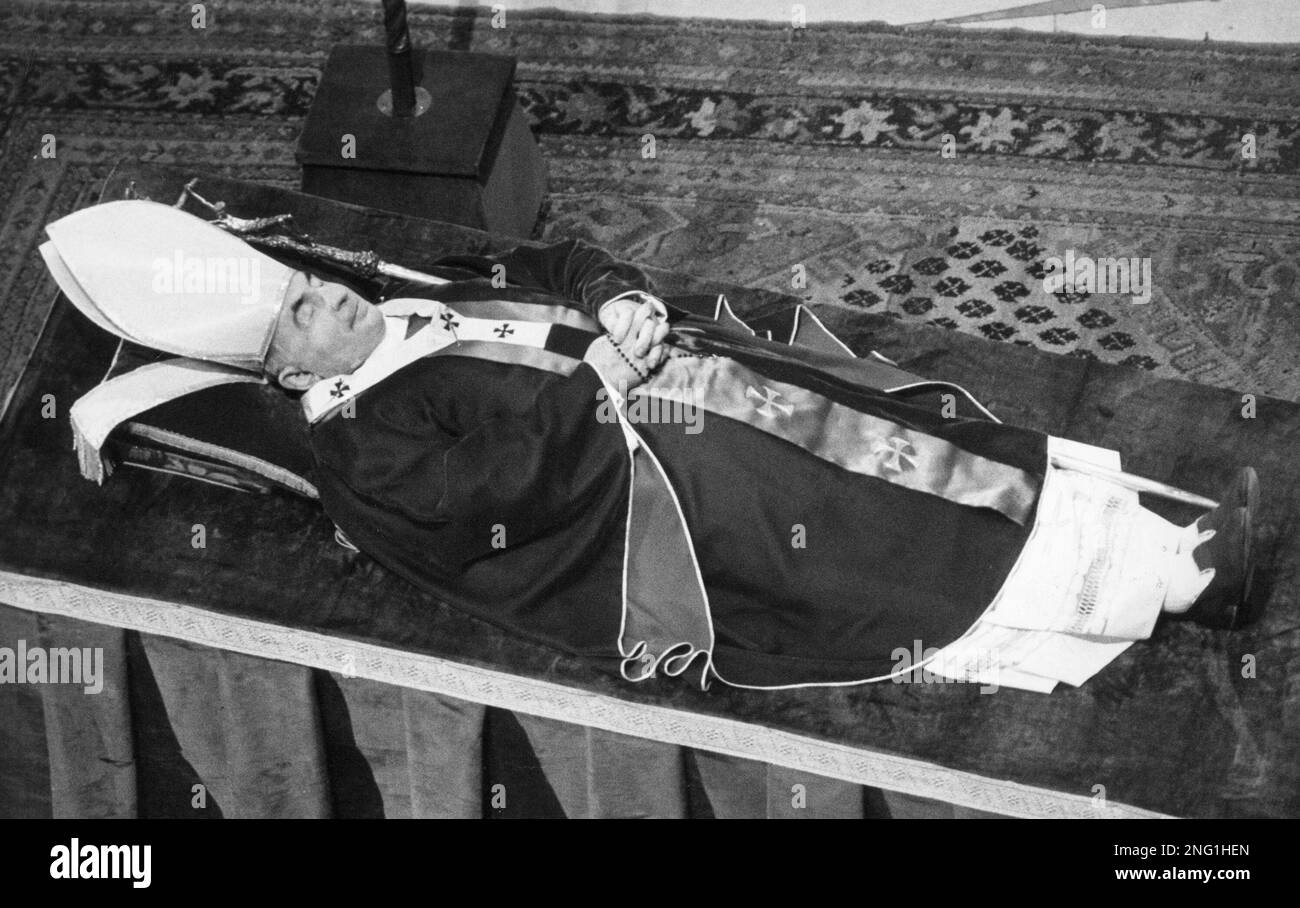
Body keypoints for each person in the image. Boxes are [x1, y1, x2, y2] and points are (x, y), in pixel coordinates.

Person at [40, 199, 1261, 694]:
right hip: (633, 505)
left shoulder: (419, 303)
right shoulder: (362, 443)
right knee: (823, 506)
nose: (329, 299)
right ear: (289, 370)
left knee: (883, 412)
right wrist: (605, 387)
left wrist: (619, 298)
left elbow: (556, 260)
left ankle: (1145, 528)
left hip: (680, 386)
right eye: (304, 312)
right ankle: (1159, 589)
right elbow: (491, 500)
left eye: (312, 282)